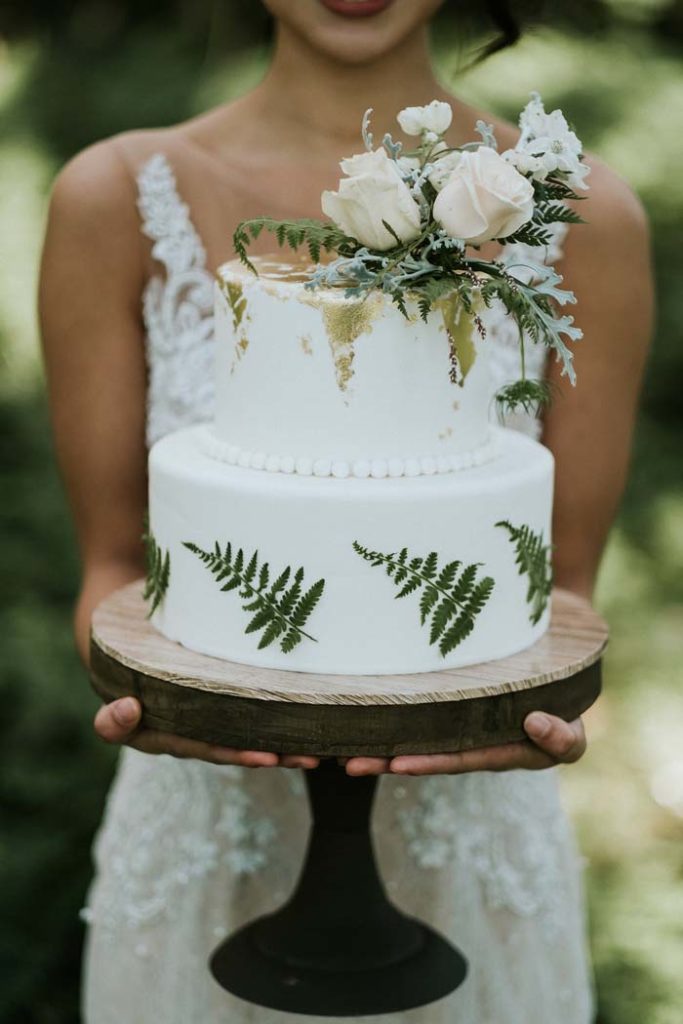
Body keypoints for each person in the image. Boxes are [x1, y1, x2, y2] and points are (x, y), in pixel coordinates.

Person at [39, 0, 653, 1020]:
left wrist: (542, 710)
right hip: (204, 834)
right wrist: (149, 698)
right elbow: (109, 570)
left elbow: (563, 589)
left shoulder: (584, 215)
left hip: (470, 840)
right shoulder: (111, 196)